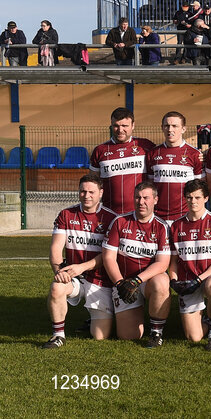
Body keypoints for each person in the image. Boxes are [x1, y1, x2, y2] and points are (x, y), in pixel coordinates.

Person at [43, 175, 119, 348]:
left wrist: (82, 267)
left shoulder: (112, 218)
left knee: (100, 335)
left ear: (101, 193)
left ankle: (101, 316)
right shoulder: (66, 214)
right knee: (57, 287)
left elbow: (108, 254)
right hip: (74, 278)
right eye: (83, 191)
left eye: (91, 192)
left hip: (101, 280)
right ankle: (58, 335)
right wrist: (59, 272)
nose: (87, 196)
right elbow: (55, 249)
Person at [101, 181, 172, 346]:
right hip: (124, 282)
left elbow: (162, 264)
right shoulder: (119, 222)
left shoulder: (162, 227)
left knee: (162, 281)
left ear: (155, 200)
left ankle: (156, 333)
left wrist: (137, 281)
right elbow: (108, 258)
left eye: (146, 198)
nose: (141, 202)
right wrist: (120, 283)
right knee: (128, 335)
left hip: (146, 281)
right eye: (137, 198)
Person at [168, 180, 211, 350]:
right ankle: (210, 320)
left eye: (197, 197)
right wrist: (174, 281)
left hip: (210, 276)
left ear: (206, 198)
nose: (193, 201)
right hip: (188, 281)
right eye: (189, 197)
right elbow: (173, 262)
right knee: (193, 337)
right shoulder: (176, 226)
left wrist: (199, 279)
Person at [90, 108, 156, 215]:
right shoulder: (100, 150)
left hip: (139, 213)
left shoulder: (146, 146)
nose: (120, 130)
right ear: (111, 126)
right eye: (116, 126)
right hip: (109, 213)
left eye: (125, 126)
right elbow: (93, 183)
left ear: (133, 125)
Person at [146, 111, 204, 222]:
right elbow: (150, 186)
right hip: (158, 216)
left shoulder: (195, 154)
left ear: (183, 129)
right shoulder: (153, 153)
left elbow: (200, 188)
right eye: (167, 126)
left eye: (175, 126)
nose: (170, 129)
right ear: (162, 128)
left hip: (185, 216)